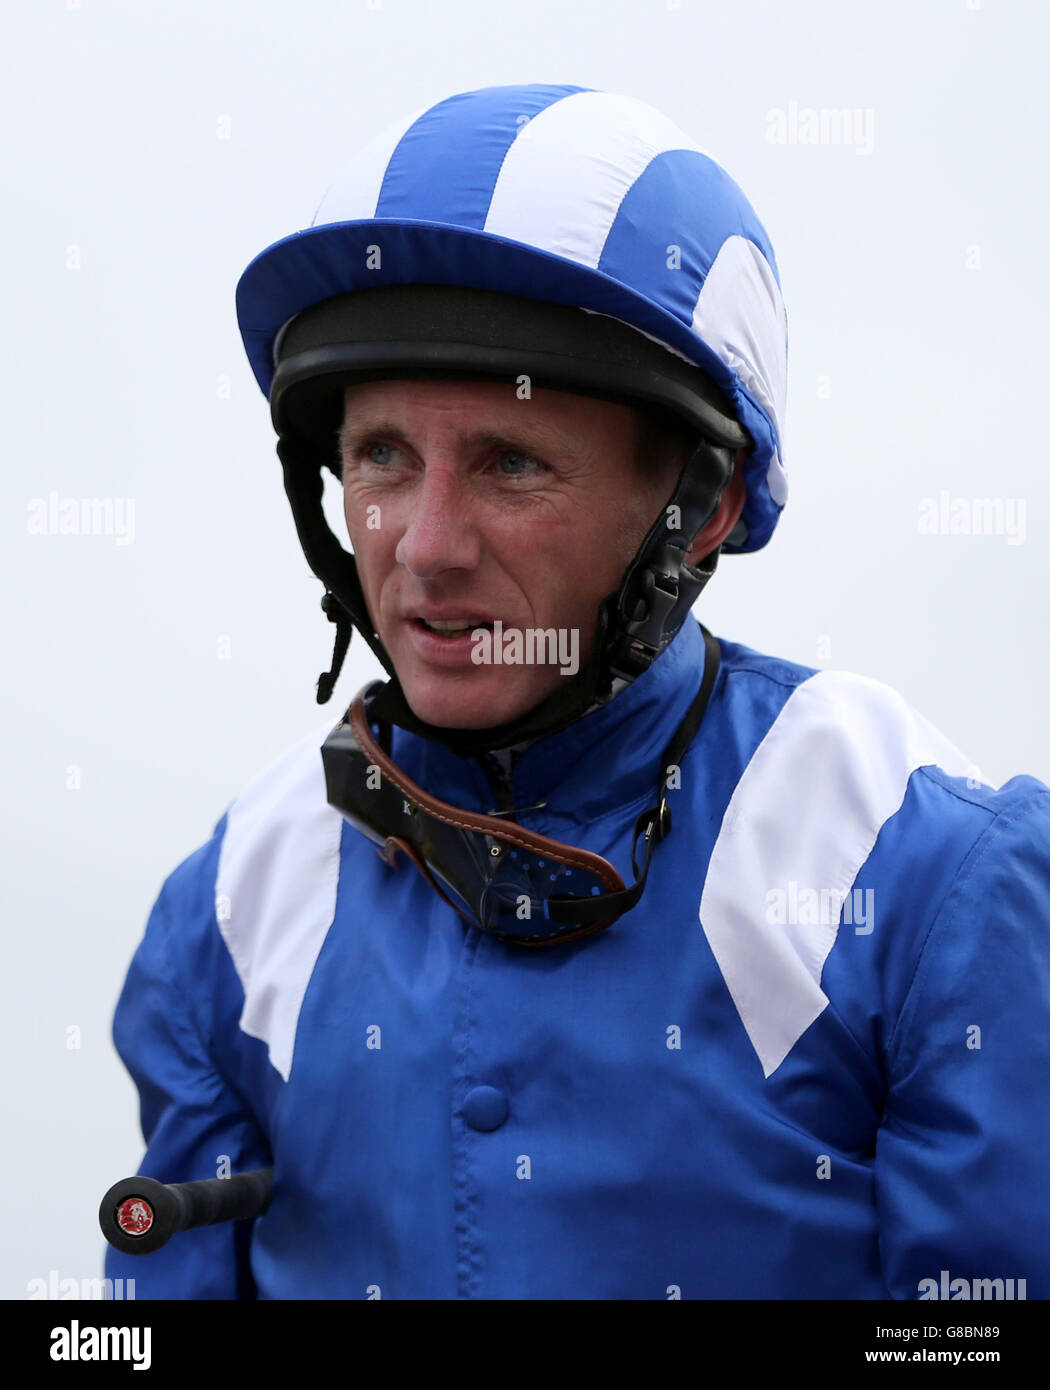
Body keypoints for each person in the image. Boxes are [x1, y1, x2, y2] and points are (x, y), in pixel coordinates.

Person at [105, 82, 1050, 1300]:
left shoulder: (931, 877)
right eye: (383, 455)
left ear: (696, 509)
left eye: (510, 462)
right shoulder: (222, 914)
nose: (427, 545)